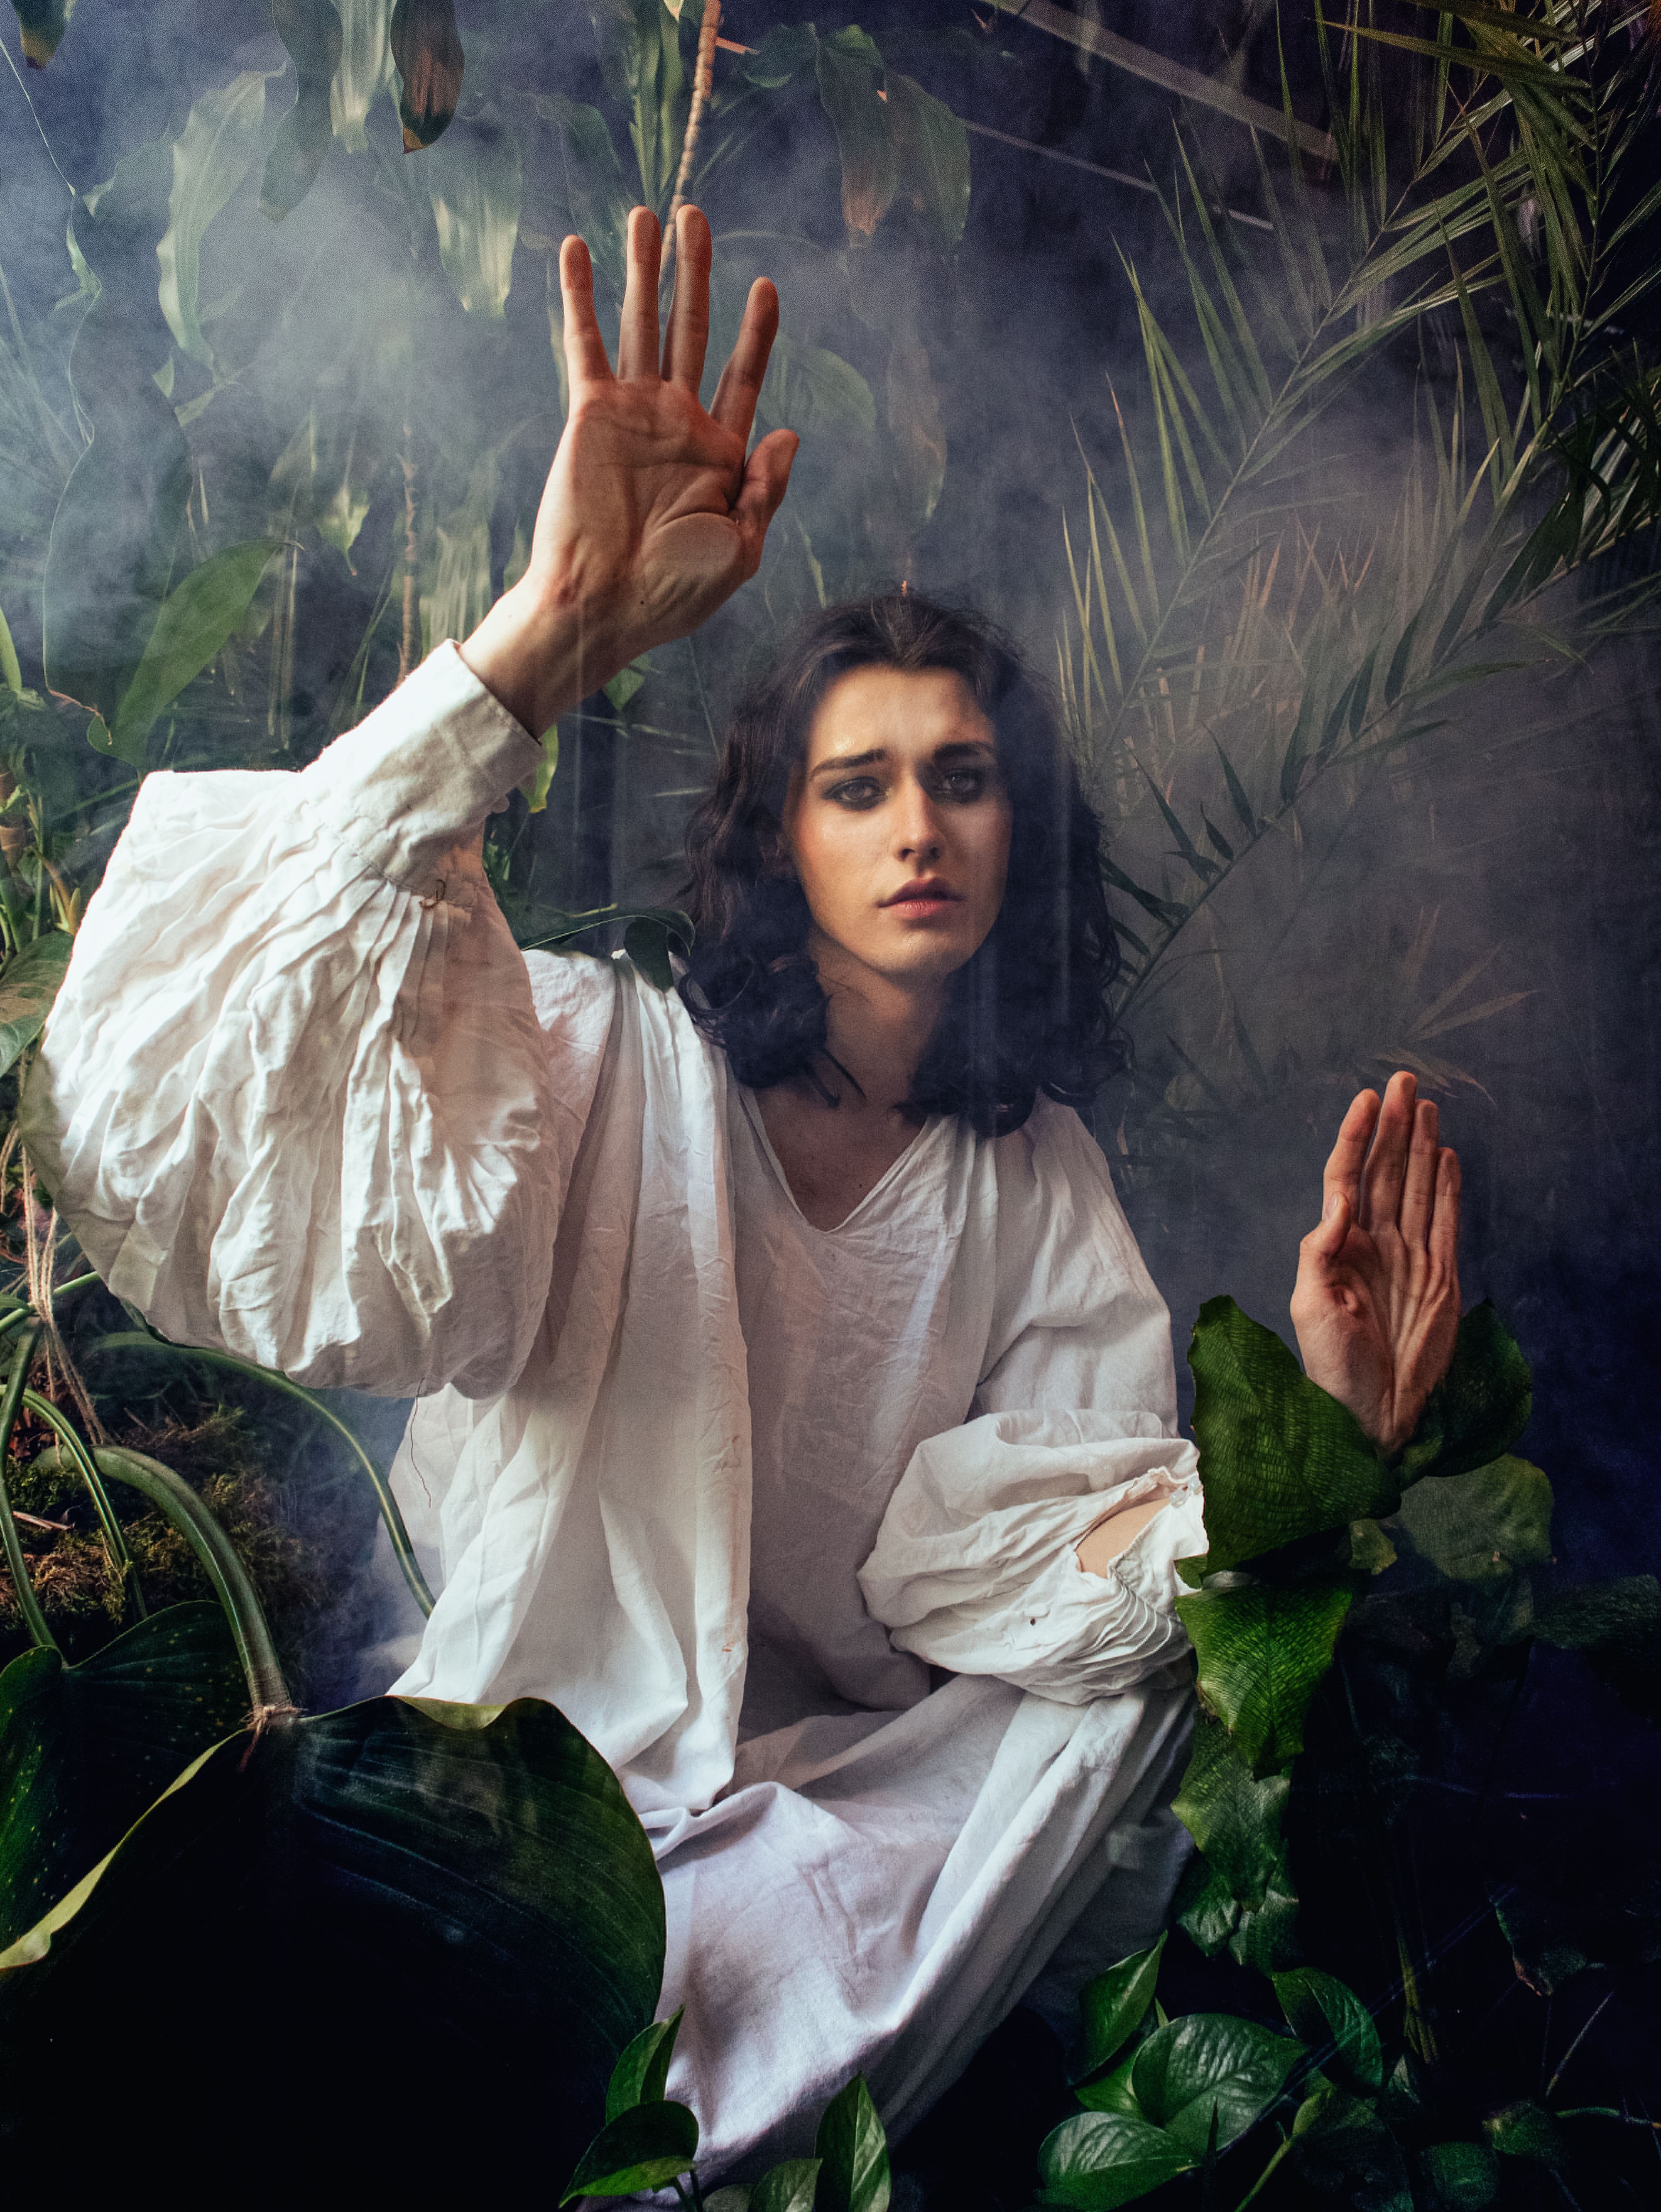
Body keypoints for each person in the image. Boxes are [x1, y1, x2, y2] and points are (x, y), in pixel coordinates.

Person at [23, 207, 1462, 2182]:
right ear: (780, 837)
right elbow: (222, 1104)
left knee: (1125, 1693)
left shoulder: (1034, 1179)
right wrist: (546, 632)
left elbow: (998, 1567)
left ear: (1016, 828)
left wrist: (1309, 1454)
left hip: (851, 1837)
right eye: (857, 784)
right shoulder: (602, 1049)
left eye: (961, 777)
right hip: (523, 1793)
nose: (917, 825)